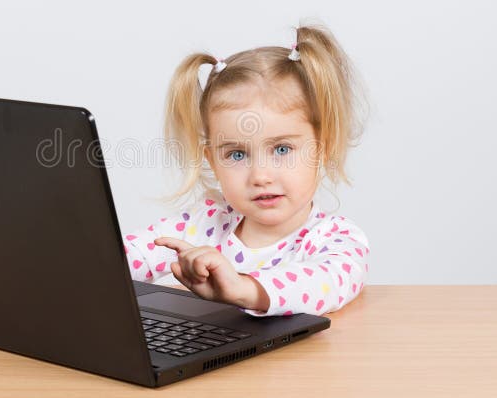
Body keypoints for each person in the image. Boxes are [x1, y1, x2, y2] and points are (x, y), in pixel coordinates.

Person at [123, 22, 370, 317]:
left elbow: (324, 283)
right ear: (212, 160)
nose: (260, 176)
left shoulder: (335, 239)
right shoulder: (207, 224)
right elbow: (130, 255)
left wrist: (244, 289)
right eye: (237, 154)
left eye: (281, 149)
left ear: (323, 148)